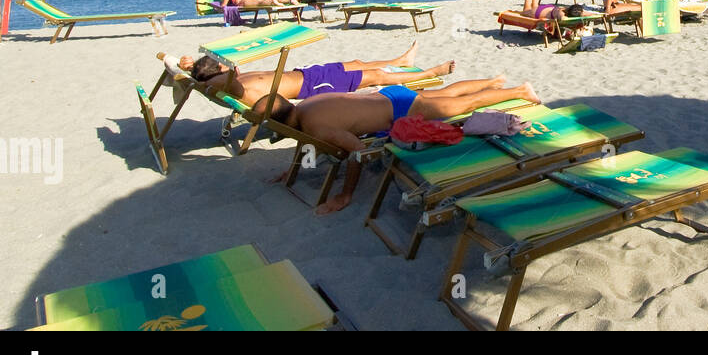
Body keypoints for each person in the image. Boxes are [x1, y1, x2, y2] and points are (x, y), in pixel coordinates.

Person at [271, 76, 542, 213]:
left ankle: (520, 91)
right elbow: (311, 141)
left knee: (463, 105)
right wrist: (293, 169)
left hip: (400, 109)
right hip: (387, 95)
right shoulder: (305, 106)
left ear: (284, 126)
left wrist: (345, 195)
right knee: (446, 94)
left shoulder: (313, 126)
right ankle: (492, 81)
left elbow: (358, 150)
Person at [181, 41, 455, 109]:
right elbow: (206, 82)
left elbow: (196, 77)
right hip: (314, 85)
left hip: (308, 74)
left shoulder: (236, 80)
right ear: (218, 71)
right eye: (224, 63)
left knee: (357, 62)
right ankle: (431, 72)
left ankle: (402, 60)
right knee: (375, 76)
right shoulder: (231, 86)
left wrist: (186, 66)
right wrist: (191, 72)